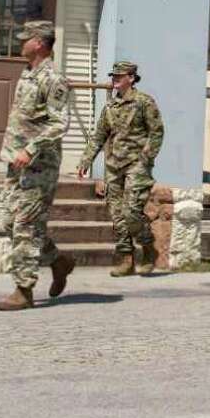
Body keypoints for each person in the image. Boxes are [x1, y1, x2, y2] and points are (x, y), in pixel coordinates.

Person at [0, 20, 75, 311]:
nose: (21, 43)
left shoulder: (53, 79)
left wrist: (31, 149)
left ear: (39, 43)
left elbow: (59, 124)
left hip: (39, 166)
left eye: (25, 39)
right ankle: (58, 261)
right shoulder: (28, 73)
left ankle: (24, 290)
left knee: (26, 225)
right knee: (10, 222)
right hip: (16, 162)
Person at [75, 59, 166, 276]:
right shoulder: (110, 106)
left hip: (136, 165)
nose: (115, 79)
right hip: (114, 166)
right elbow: (99, 136)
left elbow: (156, 132)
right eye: (113, 76)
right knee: (117, 215)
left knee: (131, 213)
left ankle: (148, 247)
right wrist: (86, 160)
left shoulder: (144, 102)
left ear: (131, 78)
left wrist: (145, 159)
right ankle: (126, 260)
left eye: (119, 76)